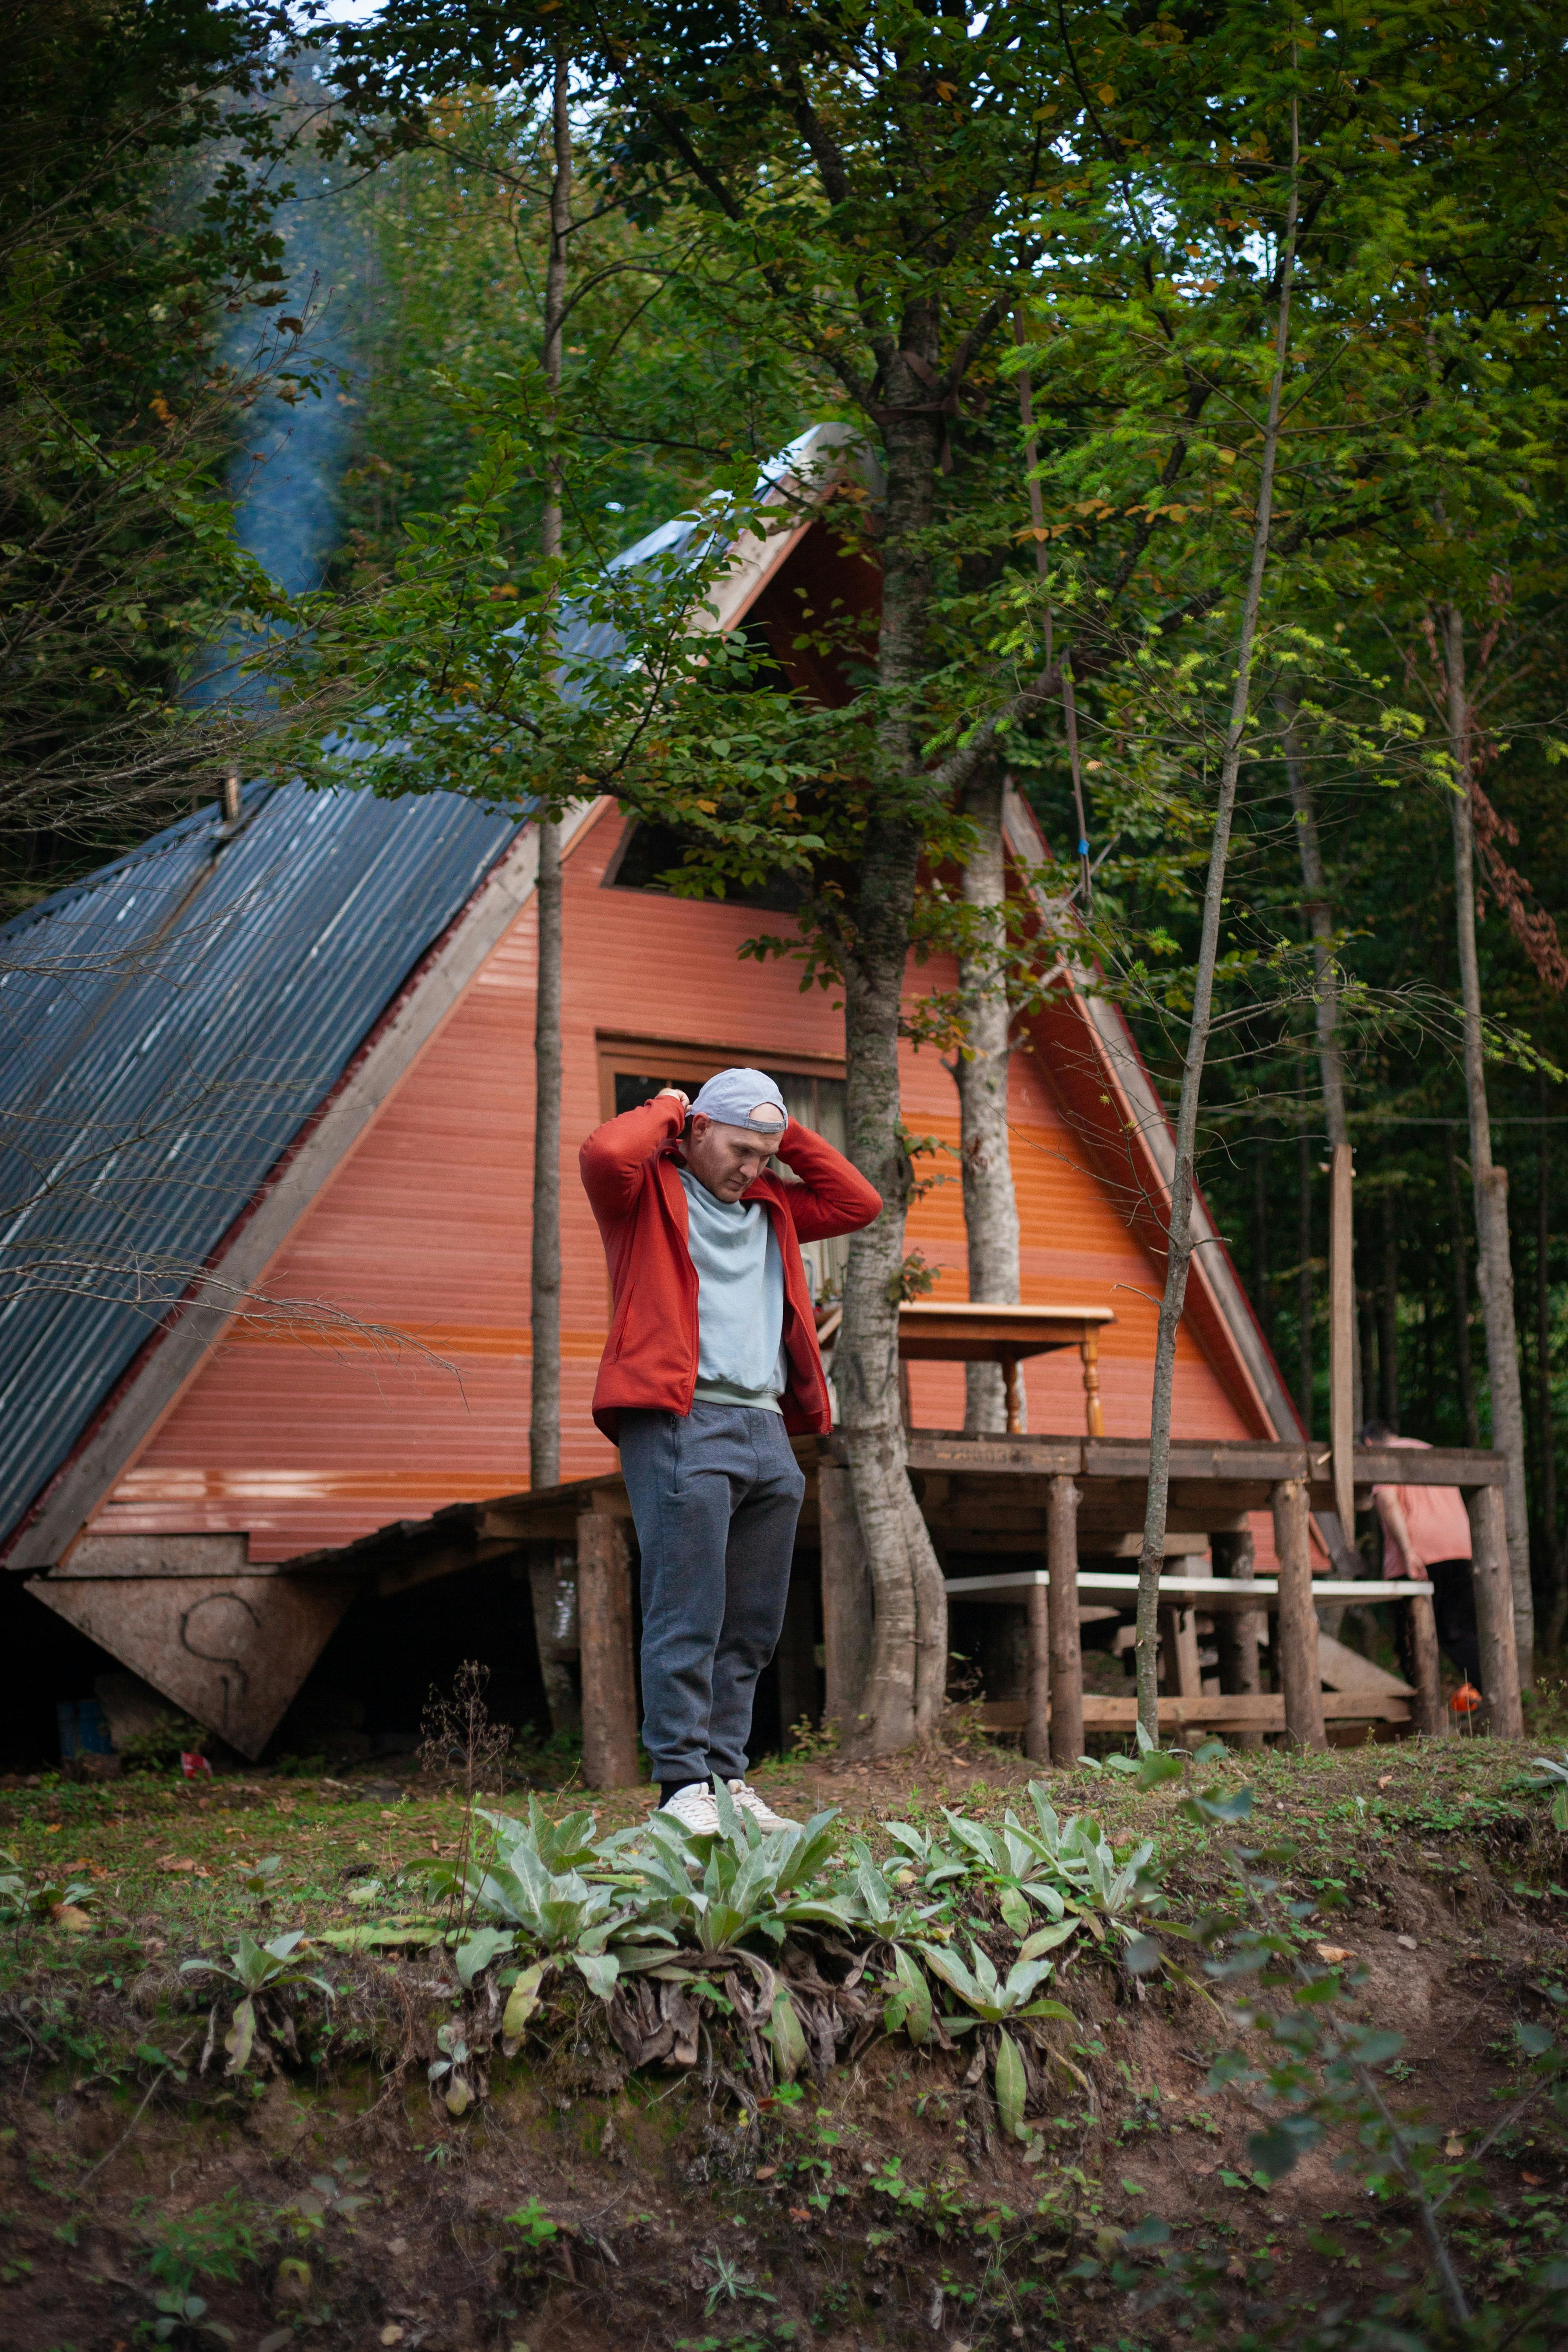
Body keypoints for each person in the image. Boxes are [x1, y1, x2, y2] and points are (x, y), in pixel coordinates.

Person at [579, 1067, 882, 1836]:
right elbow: (607, 1153)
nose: (753, 1167)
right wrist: (672, 1107)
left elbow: (858, 1202)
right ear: (697, 1133)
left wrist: (781, 1129)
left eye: (765, 1154)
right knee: (687, 1609)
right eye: (741, 1148)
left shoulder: (772, 1205)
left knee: (750, 1621)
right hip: (680, 1420)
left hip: (764, 1428)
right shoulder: (644, 1194)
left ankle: (725, 1775)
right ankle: (681, 1785)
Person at [1363, 1421, 1482, 1692]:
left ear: (1368, 1444)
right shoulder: (1431, 1452)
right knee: (1458, 1632)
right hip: (1459, 1548)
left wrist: (1407, 1551)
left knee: (1410, 1637)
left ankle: (1419, 1709)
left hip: (1420, 1553)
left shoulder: (1384, 1456)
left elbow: (1387, 1501)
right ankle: (1491, 1695)